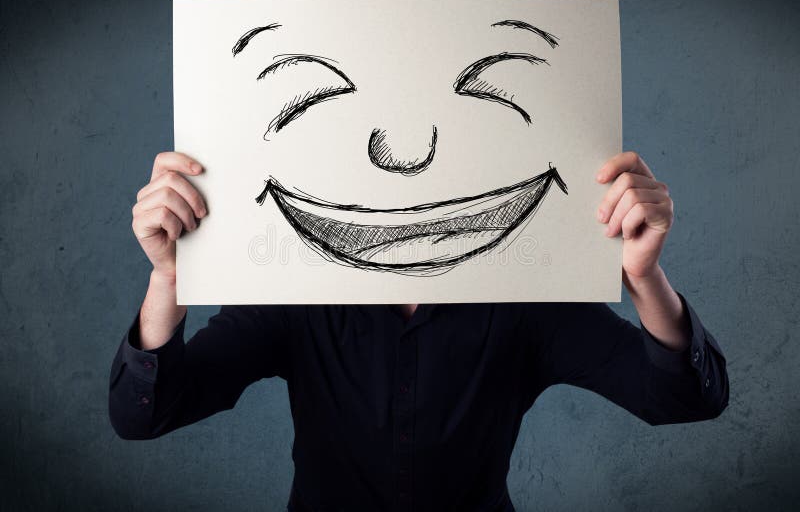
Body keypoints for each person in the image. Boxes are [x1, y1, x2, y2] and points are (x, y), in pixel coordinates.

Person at [109, 150, 728, 511]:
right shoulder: (297, 290)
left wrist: (646, 278)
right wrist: (168, 279)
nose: (405, 157)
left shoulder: (526, 300)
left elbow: (688, 397)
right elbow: (145, 413)